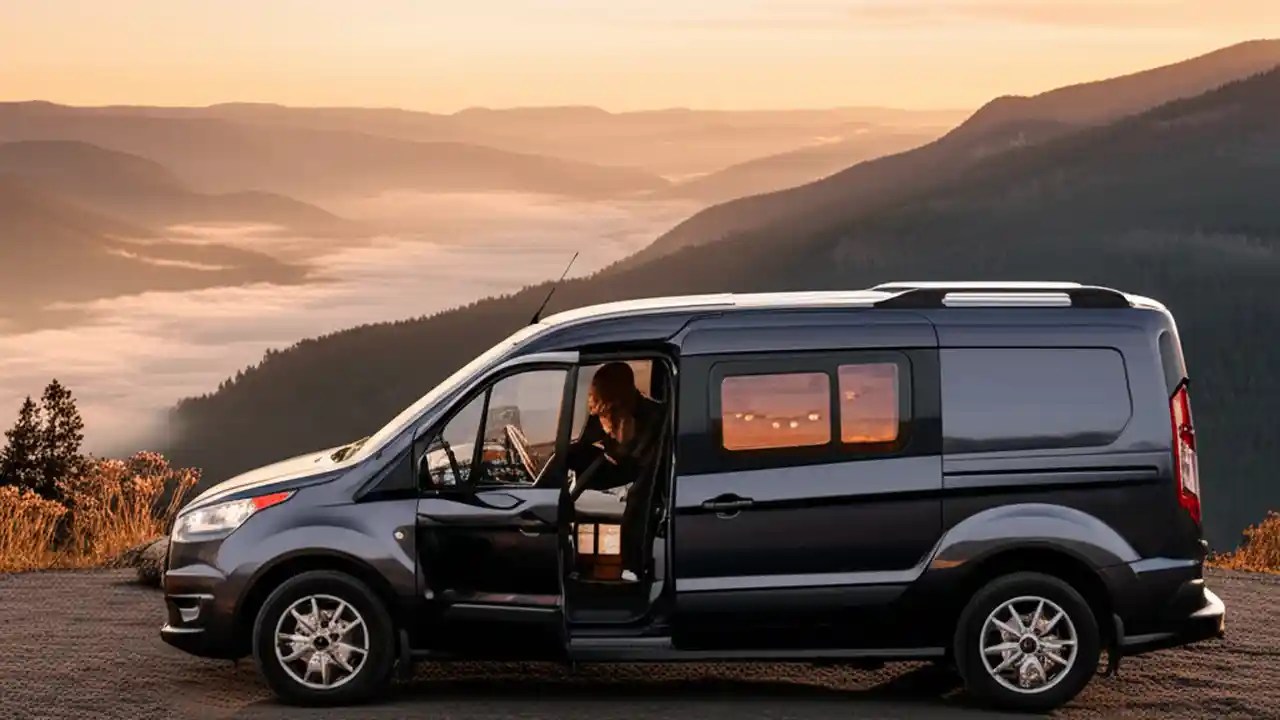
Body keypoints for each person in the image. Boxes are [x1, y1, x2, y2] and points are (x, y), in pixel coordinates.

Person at [568, 362, 664, 581]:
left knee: (638, 496)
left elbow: (643, 468)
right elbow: (586, 447)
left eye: (596, 394)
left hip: (643, 479)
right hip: (616, 468)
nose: (592, 403)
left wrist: (619, 438)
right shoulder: (599, 412)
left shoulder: (656, 418)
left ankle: (633, 569)